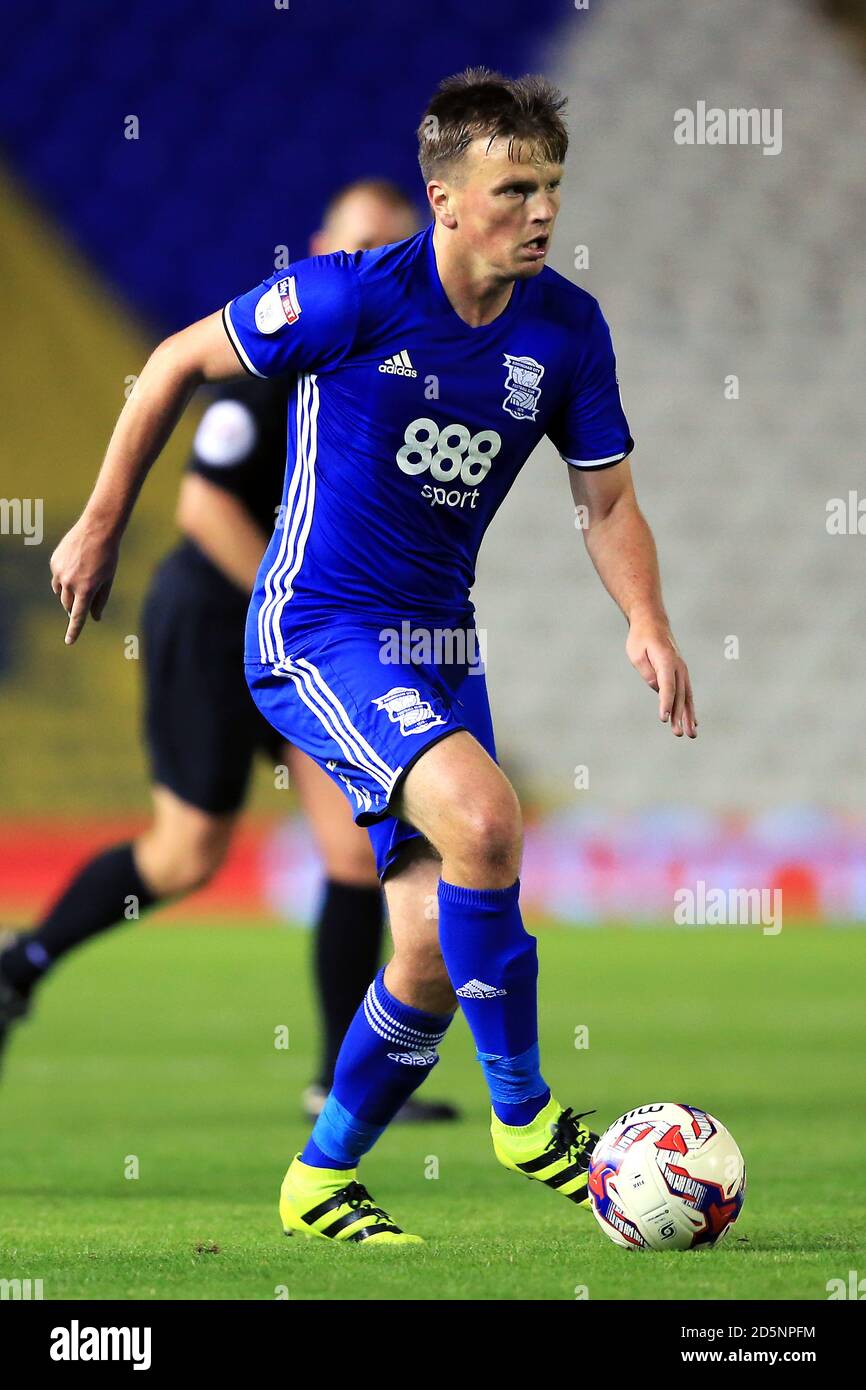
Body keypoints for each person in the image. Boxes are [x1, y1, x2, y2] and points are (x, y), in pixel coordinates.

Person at [47, 69, 697, 1246]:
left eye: (550, 185)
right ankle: (525, 1116)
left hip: (438, 642)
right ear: (444, 199)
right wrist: (97, 522)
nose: (541, 210)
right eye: (514, 188)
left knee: (425, 953)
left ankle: (319, 1179)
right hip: (316, 627)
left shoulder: (566, 329)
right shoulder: (348, 297)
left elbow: (605, 505)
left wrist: (644, 619)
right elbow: (178, 364)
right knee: (487, 825)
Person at [1, 179, 458, 1125]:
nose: (373, 261)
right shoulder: (270, 369)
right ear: (322, 246)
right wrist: (308, 611)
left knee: (350, 850)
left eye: (391, 246)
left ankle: (339, 1082)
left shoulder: (389, 374)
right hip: (216, 623)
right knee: (186, 855)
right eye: (358, 243)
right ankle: (21, 967)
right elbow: (205, 507)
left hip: (306, 634)